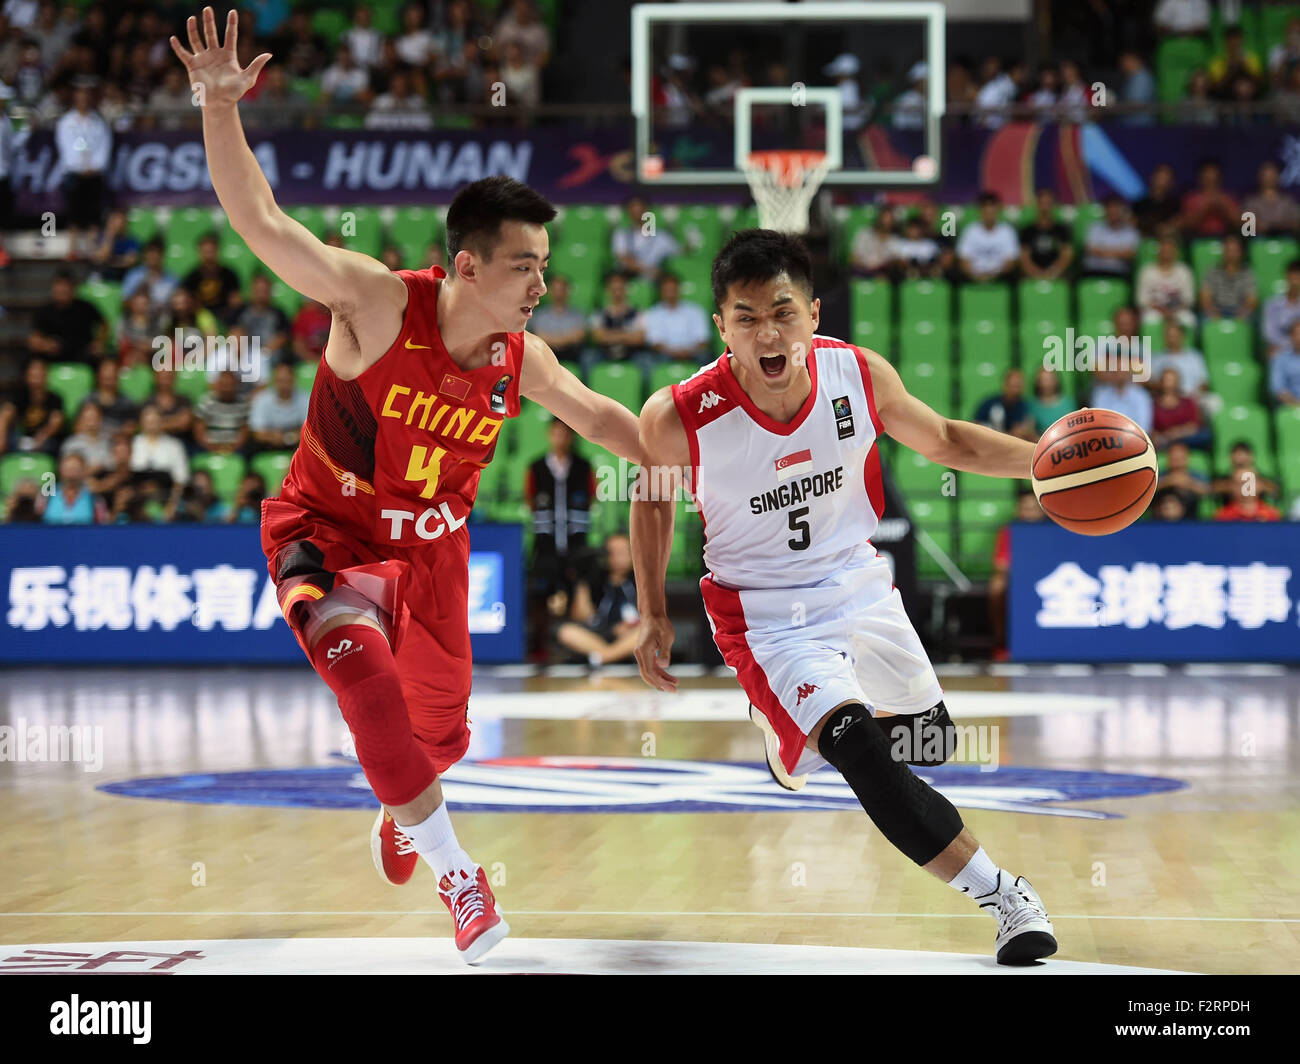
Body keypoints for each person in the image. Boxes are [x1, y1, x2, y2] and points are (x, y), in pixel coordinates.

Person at [171, 7, 640, 965]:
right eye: (524, 267)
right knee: (369, 690)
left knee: (439, 738)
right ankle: (460, 877)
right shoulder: (377, 302)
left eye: (546, 267)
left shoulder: (523, 359)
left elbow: (605, 421)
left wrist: (708, 454)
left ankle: (406, 804)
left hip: (431, 556)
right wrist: (221, 108)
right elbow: (259, 221)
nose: (541, 284)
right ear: (467, 265)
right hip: (328, 535)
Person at [632, 228, 1058, 966]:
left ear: (815, 314)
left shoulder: (857, 375)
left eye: (783, 312)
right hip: (762, 612)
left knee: (931, 742)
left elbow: (950, 441)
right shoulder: (679, 415)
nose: (767, 333)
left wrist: (1045, 464)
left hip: (856, 582)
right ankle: (1006, 897)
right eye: (746, 317)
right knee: (858, 748)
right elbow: (651, 501)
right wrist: (653, 612)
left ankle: (784, 724)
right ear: (720, 326)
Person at [525, 418, 596, 655]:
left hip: (576, 544)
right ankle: (540, 649)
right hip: (545, 545)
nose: (560, 438)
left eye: (565, 434)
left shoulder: (584, 467)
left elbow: (591, 497)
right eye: (556, 433)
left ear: (571, 437)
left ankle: (576, 650)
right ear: (549, 435)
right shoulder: (536, 467)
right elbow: (530, 500)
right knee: (540, 596)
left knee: (576, 592)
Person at [556, 533, 639, 668]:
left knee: (645, 633)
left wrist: (630, 626)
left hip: (630, 637)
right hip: (599, 636)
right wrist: (581, 581)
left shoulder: (642, 581)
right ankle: (613, 656)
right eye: (611, 553)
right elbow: (582, 617)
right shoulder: (595, 579)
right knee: (566, 632)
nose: (616, 558)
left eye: (622, 553)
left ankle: (603, 657)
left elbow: (655, 618)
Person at [55, 80, 111, 259]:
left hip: (94, 174)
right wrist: (79, 167)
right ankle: (73, 249)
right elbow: (65, 148)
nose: (83, 99)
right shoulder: (66, 122)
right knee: (74, 213)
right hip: (74, 173)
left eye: (86, 96)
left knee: (94, 213)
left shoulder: (98, 122)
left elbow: (104, 147)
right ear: (75, 98)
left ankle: (94, 248)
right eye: (80, 96)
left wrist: (95, 166)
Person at [988, 489, 1044, 658]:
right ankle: (1002, 642)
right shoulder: (1009, 531)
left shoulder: (1054, 530)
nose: (1029, 512)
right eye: (1024, 508)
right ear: (1017, 509)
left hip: (1046, 580)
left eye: (1033, 507)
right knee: (997, 585)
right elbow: (1001, 564)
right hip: (1018, 578)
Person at [27, 269, 106, 364]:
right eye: (59, 285)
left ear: (73, 288)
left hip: (82, 354)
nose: (62, 289)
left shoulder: (86, 307)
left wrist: (99, 341)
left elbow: (104, 324)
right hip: (54, 354)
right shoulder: (44, 311)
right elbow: (34, 338)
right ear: (53, 287)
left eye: (66, 285)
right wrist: (45, 345)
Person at [0, 357, 65, 455]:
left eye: (40, 371)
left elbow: (56, 421)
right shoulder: (19, 395)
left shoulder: (55, 398)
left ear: (46, 374)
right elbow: (5, 415)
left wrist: (42, 436)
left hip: (45, 439)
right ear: (26, 375)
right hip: (21, 438)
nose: (36, 374)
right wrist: (2, 437)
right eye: (33, 371)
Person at [642, 272, 711, 363]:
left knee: (706, 357)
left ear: (679, 289)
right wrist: (674, 353)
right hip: (665, 354)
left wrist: (689, 352)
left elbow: (703, 340)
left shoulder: (696, 310)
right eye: (667, 290)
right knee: (649, 359)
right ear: (661, 292)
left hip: (693, 354)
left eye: (673, 289)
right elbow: (655, 342)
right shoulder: (654, 313)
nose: (670, 293)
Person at [611, 194, 679, 280]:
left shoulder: (661, 236)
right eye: (633, 210)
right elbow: (624, 260)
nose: (637, 214)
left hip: (656, 281)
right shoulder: (621, 235)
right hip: (630, 279)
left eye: (640, 210)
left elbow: (678, 252)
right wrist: (650, 271)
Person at [182, 232, 243, 325]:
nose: (208, 256)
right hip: (199, 318)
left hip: (225, 318)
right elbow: (188, 302)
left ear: (217, 251)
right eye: (205, 252)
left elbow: (236, 301)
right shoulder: (191, 277)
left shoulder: (229, 275)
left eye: (211, 251)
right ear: (199, 252)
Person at [956, 192, 1018, 282]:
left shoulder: (1007, 231)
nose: (989, 212)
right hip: (973, 277)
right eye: (985, 208)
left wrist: (993, 275)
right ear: (980, 210)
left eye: (992, 208)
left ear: (998, 210)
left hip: (1000, 277)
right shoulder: (969, 231)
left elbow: (1011, 262)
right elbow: (963, 260)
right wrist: (976, 276)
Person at [1136, 233, 1196, 327]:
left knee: (1188, 320)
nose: (1166, 253)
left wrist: (1173, 311)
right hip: (1154, 310)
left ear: (1176, 252)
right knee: (1149, 320)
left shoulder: (1184, 271)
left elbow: (1189, 299)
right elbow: (1142, 299)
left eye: (1169, 250)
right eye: (1164, 250)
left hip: (1178, 310)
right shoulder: (1147, 271)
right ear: (1158, 252)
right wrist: (1162, 310)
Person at [248, 359, 308, 451]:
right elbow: (257, 432)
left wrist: (288, 438)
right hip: (267, 445)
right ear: (274, 382)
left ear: (294, 381)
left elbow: (310, 430)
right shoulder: (261, 399)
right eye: (280, 381)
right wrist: (273, 437)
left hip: (297, 444)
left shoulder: (305, 399)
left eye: (287, 381)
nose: (284, 385)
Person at [526, 274, 586, 361]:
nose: (558, 293)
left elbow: (579, 336)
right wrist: (566, 339)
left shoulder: (577, 314)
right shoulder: (539, 315)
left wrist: (555, 340)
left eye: (561, 289)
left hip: (571, 353)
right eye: (555, 289)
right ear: (549, 291)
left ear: (568, 291)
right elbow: (538, 336)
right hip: (545, 353)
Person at [1018, 189, 1073, 281]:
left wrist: (1053, 272)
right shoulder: (1027, 231)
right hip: (1031, 274)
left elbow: (1066, 255)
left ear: (1053, 206)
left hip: (1057, 274)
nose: (1045, 207)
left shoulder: (1062, 230)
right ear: (1037, 205)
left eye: (1048, 203)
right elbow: (1024, 257)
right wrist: (1036, 273)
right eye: (1042, 203)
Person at [1150, 368, 1210, 451]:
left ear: (1178, 382)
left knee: (1205, 435)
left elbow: (1194, 425)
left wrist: (1177, 433)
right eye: (1166, 379)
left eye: (1172, 380)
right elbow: (1151, 427)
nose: (1169, 383)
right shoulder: (1153, 404)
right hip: (1164, 441)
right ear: (1161, 381)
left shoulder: (1188, 402)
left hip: (1186, 439)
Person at [1200, 234, 1257, 320]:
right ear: (1223, 251)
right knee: (1204, 318)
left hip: (1239, 310)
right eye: (1228, 250)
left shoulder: (1248, 273)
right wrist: (1213, 312)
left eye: (1234, 251)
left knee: (1252, 318)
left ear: (1241, 253)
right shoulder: (1212, 271)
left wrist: (1243, 313)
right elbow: (1205, 297)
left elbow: (1251, 300)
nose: (1231, 254)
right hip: (1217, 309)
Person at [194, 369, 250, 455]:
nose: (226, 388)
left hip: (235, 449)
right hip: (208, 448)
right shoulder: (206, 402)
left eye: (229, 385)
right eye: (224, 385)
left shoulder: (243, 404)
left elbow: (244, 431)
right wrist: (212, 448)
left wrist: (232, 448)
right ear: (218, 384)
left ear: (236, 385)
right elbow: (199, 430)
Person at [1081, 195, 1139, 277]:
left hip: (1119, 272)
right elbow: (1089, 250)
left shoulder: (1131, 232)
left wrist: (1102, 252)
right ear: (1105, 210)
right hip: (1093, 270)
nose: (1113, 212)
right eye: (1110, 208)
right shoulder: (1094, 228)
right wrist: (1118, 253)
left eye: (1116, 209)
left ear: (1122, 211)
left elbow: (1130, 254)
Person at [1180, 161, 1240, 239]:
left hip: (1224, 239)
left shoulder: (1227, 198)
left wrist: (1223, 208)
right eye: (1207, 178)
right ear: (1200, 178)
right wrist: (1205, 209)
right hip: (1197, 239)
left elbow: (1239, 222)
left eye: (1214, 179)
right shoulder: (1191, 198)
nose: (1211, 179)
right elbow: (1186, 224)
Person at [973, 368, 1035, 441]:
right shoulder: (989, 404)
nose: (1015, 391)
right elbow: (975, 426)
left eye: (1018, 386)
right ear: (1005, 385)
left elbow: (1024, 431)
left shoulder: (1025, 406)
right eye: (1013, 386)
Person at [41, 452, 104, 524]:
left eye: (75, 469)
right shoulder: (46, 494)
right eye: (67, 468)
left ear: (84, 470)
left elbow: (102, 524)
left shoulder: (94, 497)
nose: (71, 472)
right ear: (60, 470)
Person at [121, 238, 180, 313]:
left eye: (157, 252)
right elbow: (125, 301)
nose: (154, 256)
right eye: (150, 252)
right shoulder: (134, 276)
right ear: (145, 255)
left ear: (163, 255)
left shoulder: (172, 279)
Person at [1242, 161, 1300, 236]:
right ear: (1260, 178)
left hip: (1286, 240)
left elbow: (1296, 222)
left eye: (1272, 175)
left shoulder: (1288, 202)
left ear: (1278, 177)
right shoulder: (1251, 202)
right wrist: (1261, 226)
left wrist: (1281, 227)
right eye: (1265, 175)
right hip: (1259, 240)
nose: (1269, 179)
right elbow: (1245, 226)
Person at [1156, 440, 1208, 518]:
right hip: (1159, 519)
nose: (1177, 462)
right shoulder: (1159, 476)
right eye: (1174, 458)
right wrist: (1168, 481)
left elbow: (1208, 491)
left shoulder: (1196, 476)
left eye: (1180, 458)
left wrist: (1189, 483)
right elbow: (1148, 492)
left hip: (1192, 519)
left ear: (1187, 458)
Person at [1262, 259, 1300, 356]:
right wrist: (1289, 346)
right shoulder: (1272, 304)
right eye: (1293, 277)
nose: (1295, 282)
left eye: (1298, 277)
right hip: (1279, 351)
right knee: (1272, 352)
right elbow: (1269, 334)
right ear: (1287, 276)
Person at [1024, 366, 1074, 437]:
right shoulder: (1032, 405)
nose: (1047, 384)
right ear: (1038, 382)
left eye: (1050, 379)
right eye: (1043, 380)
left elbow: (1072, 429)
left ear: (1056, 380)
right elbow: (1029, 431)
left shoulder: (1068, 403)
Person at [1134, 164, 1181, 237]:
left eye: (1166, 178)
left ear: (1172, 182)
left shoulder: (1175, 204)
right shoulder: (1140, 203)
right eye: (1160, 177)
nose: (1162, 181)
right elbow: (1134, 222)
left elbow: (1177, 221)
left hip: (1166, 240)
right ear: (1153, 178)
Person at [1214, 473, 1282, 521]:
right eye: (1240, 483)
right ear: (1231, 487)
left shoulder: (1272, 514)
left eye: (1249, 482)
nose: (1245, 487)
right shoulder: (1223, 516)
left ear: (1260, 486)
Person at [1270, 322, 1300, 406]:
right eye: (1296, 334)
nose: (1299, 338)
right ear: (1291, 337)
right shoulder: (1281, 359)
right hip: (1290, 406)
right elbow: (1278, 388)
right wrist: (1295, 404)